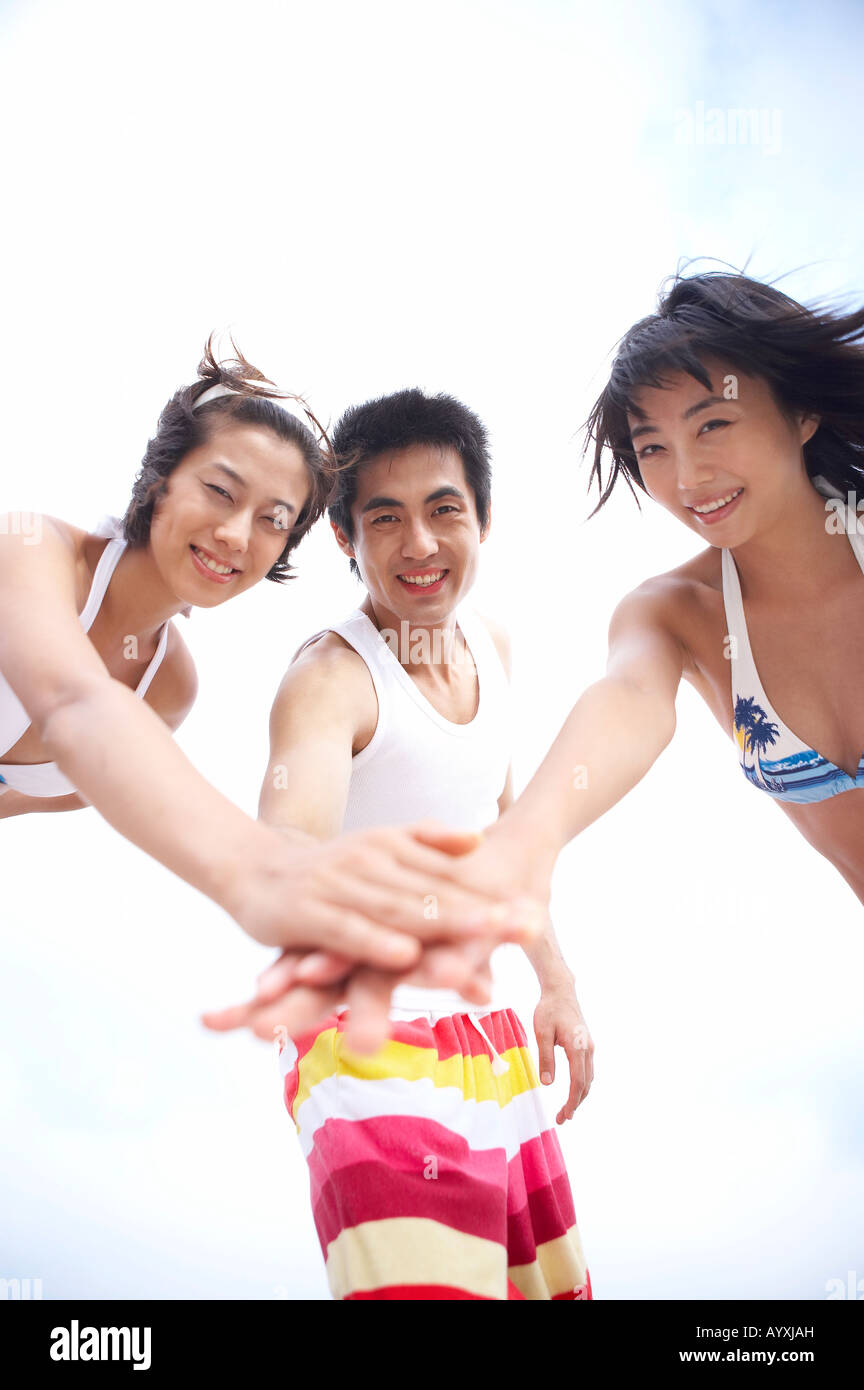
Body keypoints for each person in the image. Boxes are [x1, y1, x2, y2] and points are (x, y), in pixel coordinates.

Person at [214, 268, 864, 1040]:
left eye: (713, 425)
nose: (687, 477)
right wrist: (519, 851)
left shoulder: (487, 651)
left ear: (802, 412)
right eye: (653, 446)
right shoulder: (674, 614)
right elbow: (625, 705)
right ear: (346, 538)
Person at [206, 387, 593, 1301]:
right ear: (345, 539)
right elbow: (284, 852)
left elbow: (498, 831)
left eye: (443, 510)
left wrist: (558, 983)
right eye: (385, 519)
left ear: (484, 520)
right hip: (361, 1038)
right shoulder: (330, 682)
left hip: (488, 1041)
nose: (418, 545)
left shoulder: (491, 648)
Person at [0, 339, 537, 978]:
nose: (235, 535)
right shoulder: (32, 552)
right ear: (160, 479)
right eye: (221, 492)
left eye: (273, 520)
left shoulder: (169, 687)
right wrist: (257, 872)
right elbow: (73, 704)